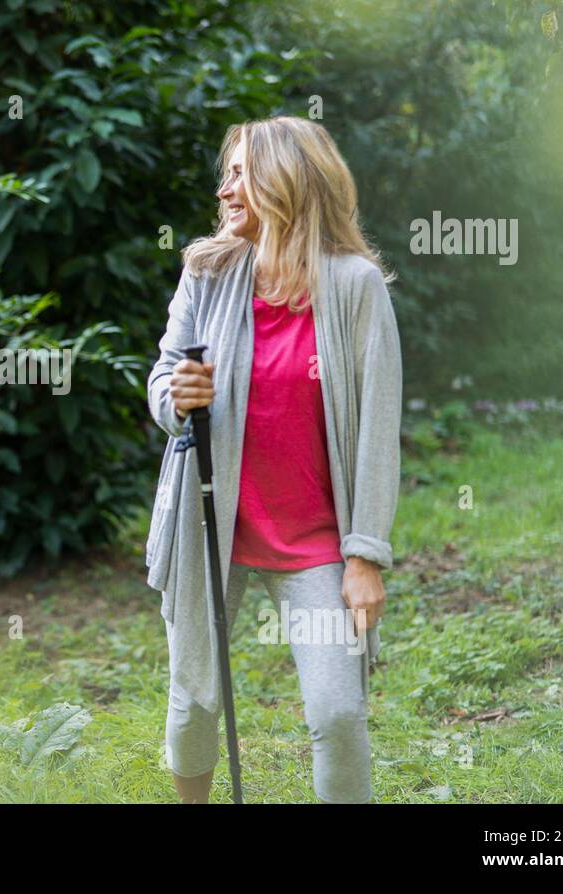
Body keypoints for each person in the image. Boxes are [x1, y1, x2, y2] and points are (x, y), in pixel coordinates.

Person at [144, 116, 402, 803]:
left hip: (314, 540)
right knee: (196, 697)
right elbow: (163, 378)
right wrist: (178, 395)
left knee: (338, 713)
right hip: (211, 528)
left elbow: (377, 427)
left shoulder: (353, 287)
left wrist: (365, 555)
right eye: (226, 173)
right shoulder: (209, 272)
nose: (225, 188)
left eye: (241, 173)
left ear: (286, 182)